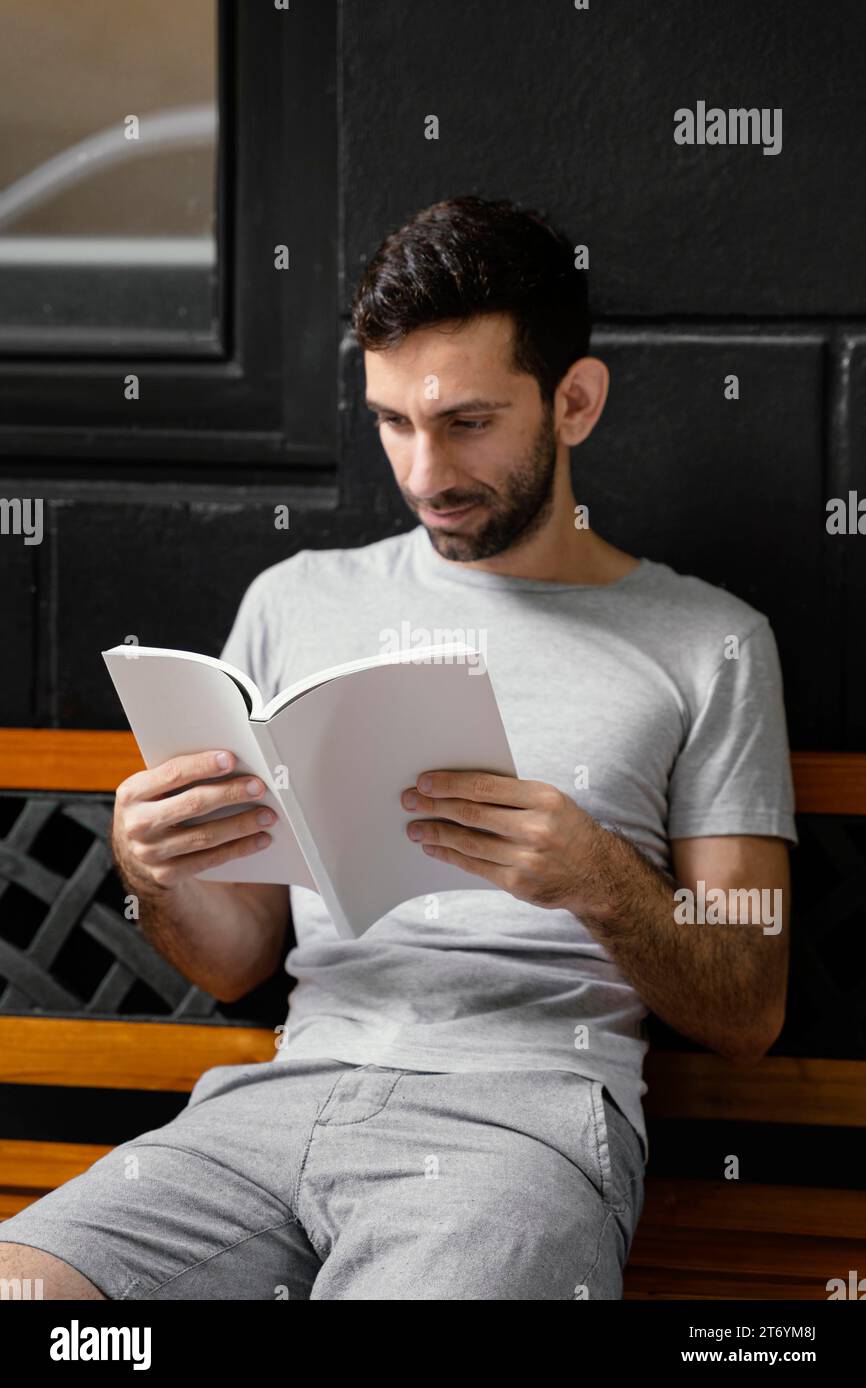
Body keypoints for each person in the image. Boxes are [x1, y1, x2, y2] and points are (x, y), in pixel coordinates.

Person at [0, 195, 797, 1300]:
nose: (424, 473)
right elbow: (234, 956)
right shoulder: (294, 600)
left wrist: (599, 881)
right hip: (272, 1106)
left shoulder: (708, 643)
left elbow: (747, 1005)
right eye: (391, 422)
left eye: (467, 421)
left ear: (573, 401)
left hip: (517, 1128)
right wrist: (151, 870)